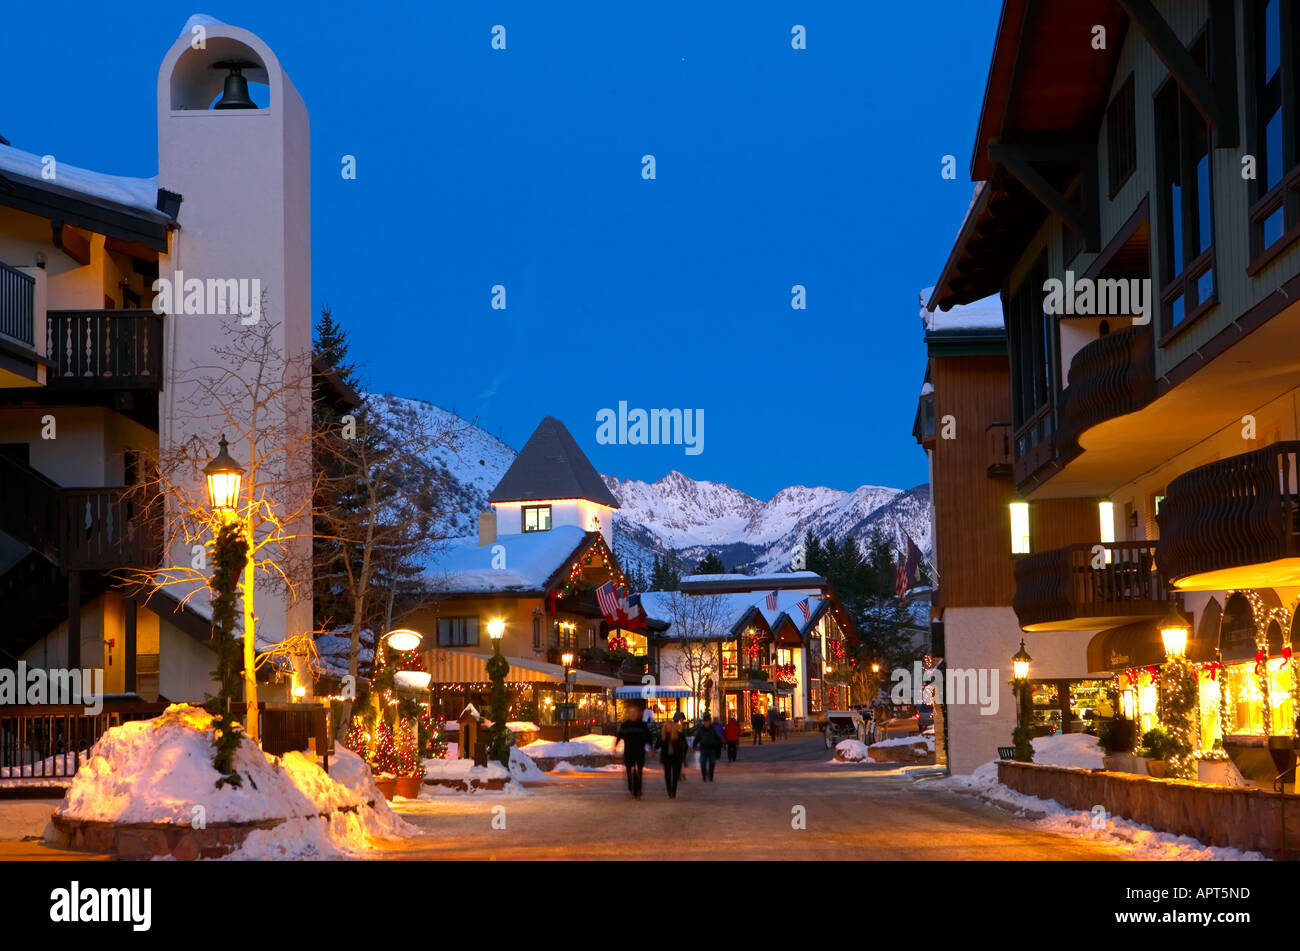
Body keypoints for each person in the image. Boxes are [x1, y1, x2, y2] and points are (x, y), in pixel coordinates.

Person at [614, 706, 652, 798]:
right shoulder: (625, 725)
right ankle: (631, 785)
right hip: (629, 752)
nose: (633, 714)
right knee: (628, 771)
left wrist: (651, 748)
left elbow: (648, 737)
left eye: (635, 712)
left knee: (639, 771)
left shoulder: (642, 725)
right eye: (631, 712)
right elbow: (619, 736)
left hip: (639, 751)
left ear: (638, 714)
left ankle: (638, 790)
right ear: (629, 714)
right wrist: (615, 746)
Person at [656, 714, 687, 798]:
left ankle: (674, 791)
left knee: (675, 775)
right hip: (666, 758)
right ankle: (669, 791)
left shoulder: (678, 735)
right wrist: (653, 749)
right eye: (667, 726)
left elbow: (684, 744)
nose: (668, 728)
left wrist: (683, 756)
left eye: (670, 726)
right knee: (667, 774)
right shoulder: (662, 736)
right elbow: (657, 745)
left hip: (676, 757)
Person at [693, 712, 722, 781]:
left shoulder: (713, 729)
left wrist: (719, 746)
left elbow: (717, 738)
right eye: (705, 722)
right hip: (703, 748)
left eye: (708, 722)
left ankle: (711, 775)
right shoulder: (701, 730)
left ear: (710, 722)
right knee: (703, 763)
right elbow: (697, 738)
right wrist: (694, 745)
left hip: (712, 748)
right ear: (704, 722)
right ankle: (704, 776)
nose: (707, 723)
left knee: (712, 763)